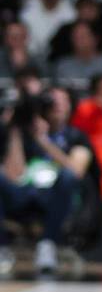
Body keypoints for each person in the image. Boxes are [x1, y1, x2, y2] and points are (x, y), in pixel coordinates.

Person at [0, 83, 92, 276]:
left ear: (71, 105)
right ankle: (3, 248)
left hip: (55, 197)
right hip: (25, 193)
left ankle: (47, 245)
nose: (56, 105)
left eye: (62, 101)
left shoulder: (77, 137)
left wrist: (44, 140)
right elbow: (15, 175)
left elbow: (76, 171)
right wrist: (15, 132)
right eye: (52, 101)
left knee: (67, 177)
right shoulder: (25, 134)